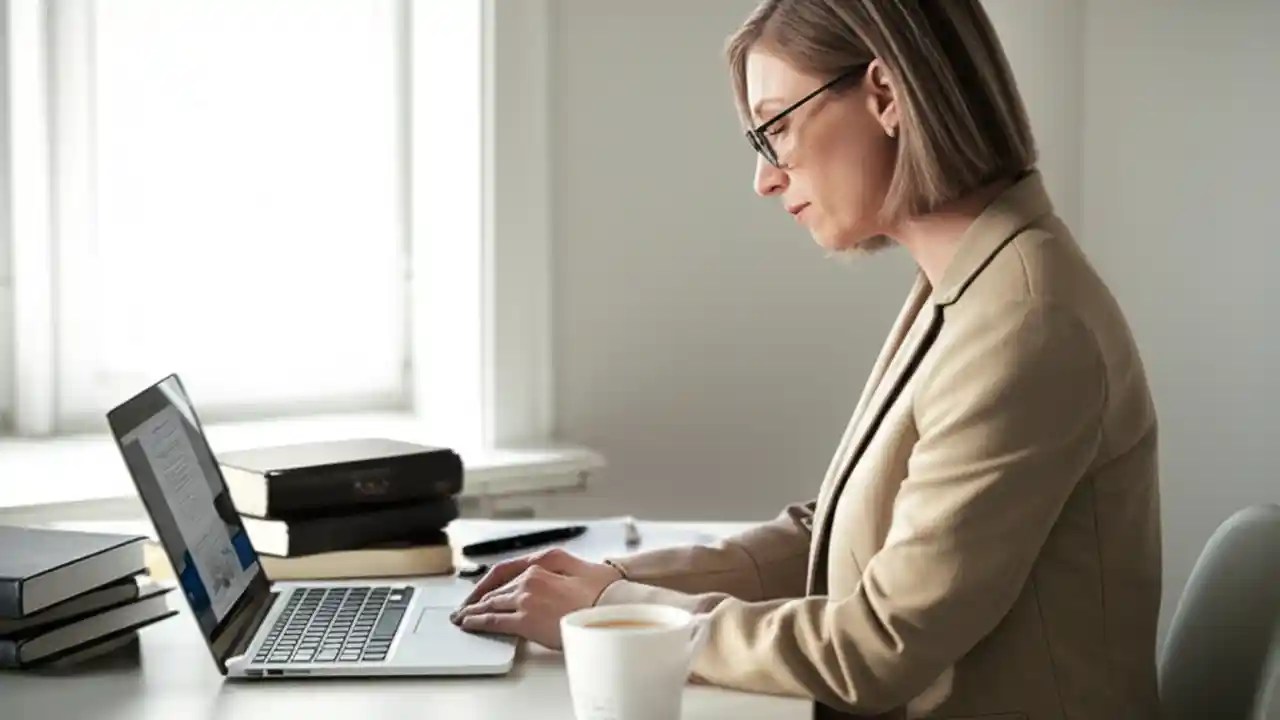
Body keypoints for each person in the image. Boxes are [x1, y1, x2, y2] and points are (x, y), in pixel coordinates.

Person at [451, 1, 1162, 718]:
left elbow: (876, 649)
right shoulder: (974, 282)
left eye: (777, 129)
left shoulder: (1024, 319)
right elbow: (834, 533)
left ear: (885, 95)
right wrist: (610, 579)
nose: (765, 179)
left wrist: (624, 613)